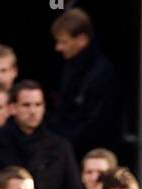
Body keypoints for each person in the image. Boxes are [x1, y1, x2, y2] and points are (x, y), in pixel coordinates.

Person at [0, 80, 80, 189]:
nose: (33, 111)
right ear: (12, 108)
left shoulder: (60, 146)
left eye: (38, 105)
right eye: (26, 105)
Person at [49, 8, 118, 154]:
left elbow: (95, 122)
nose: (58, 47)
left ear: (81, 40)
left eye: (63, 42)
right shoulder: (70, 65)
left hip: (91, 152)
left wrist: (61, 144)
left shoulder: (102, 73)